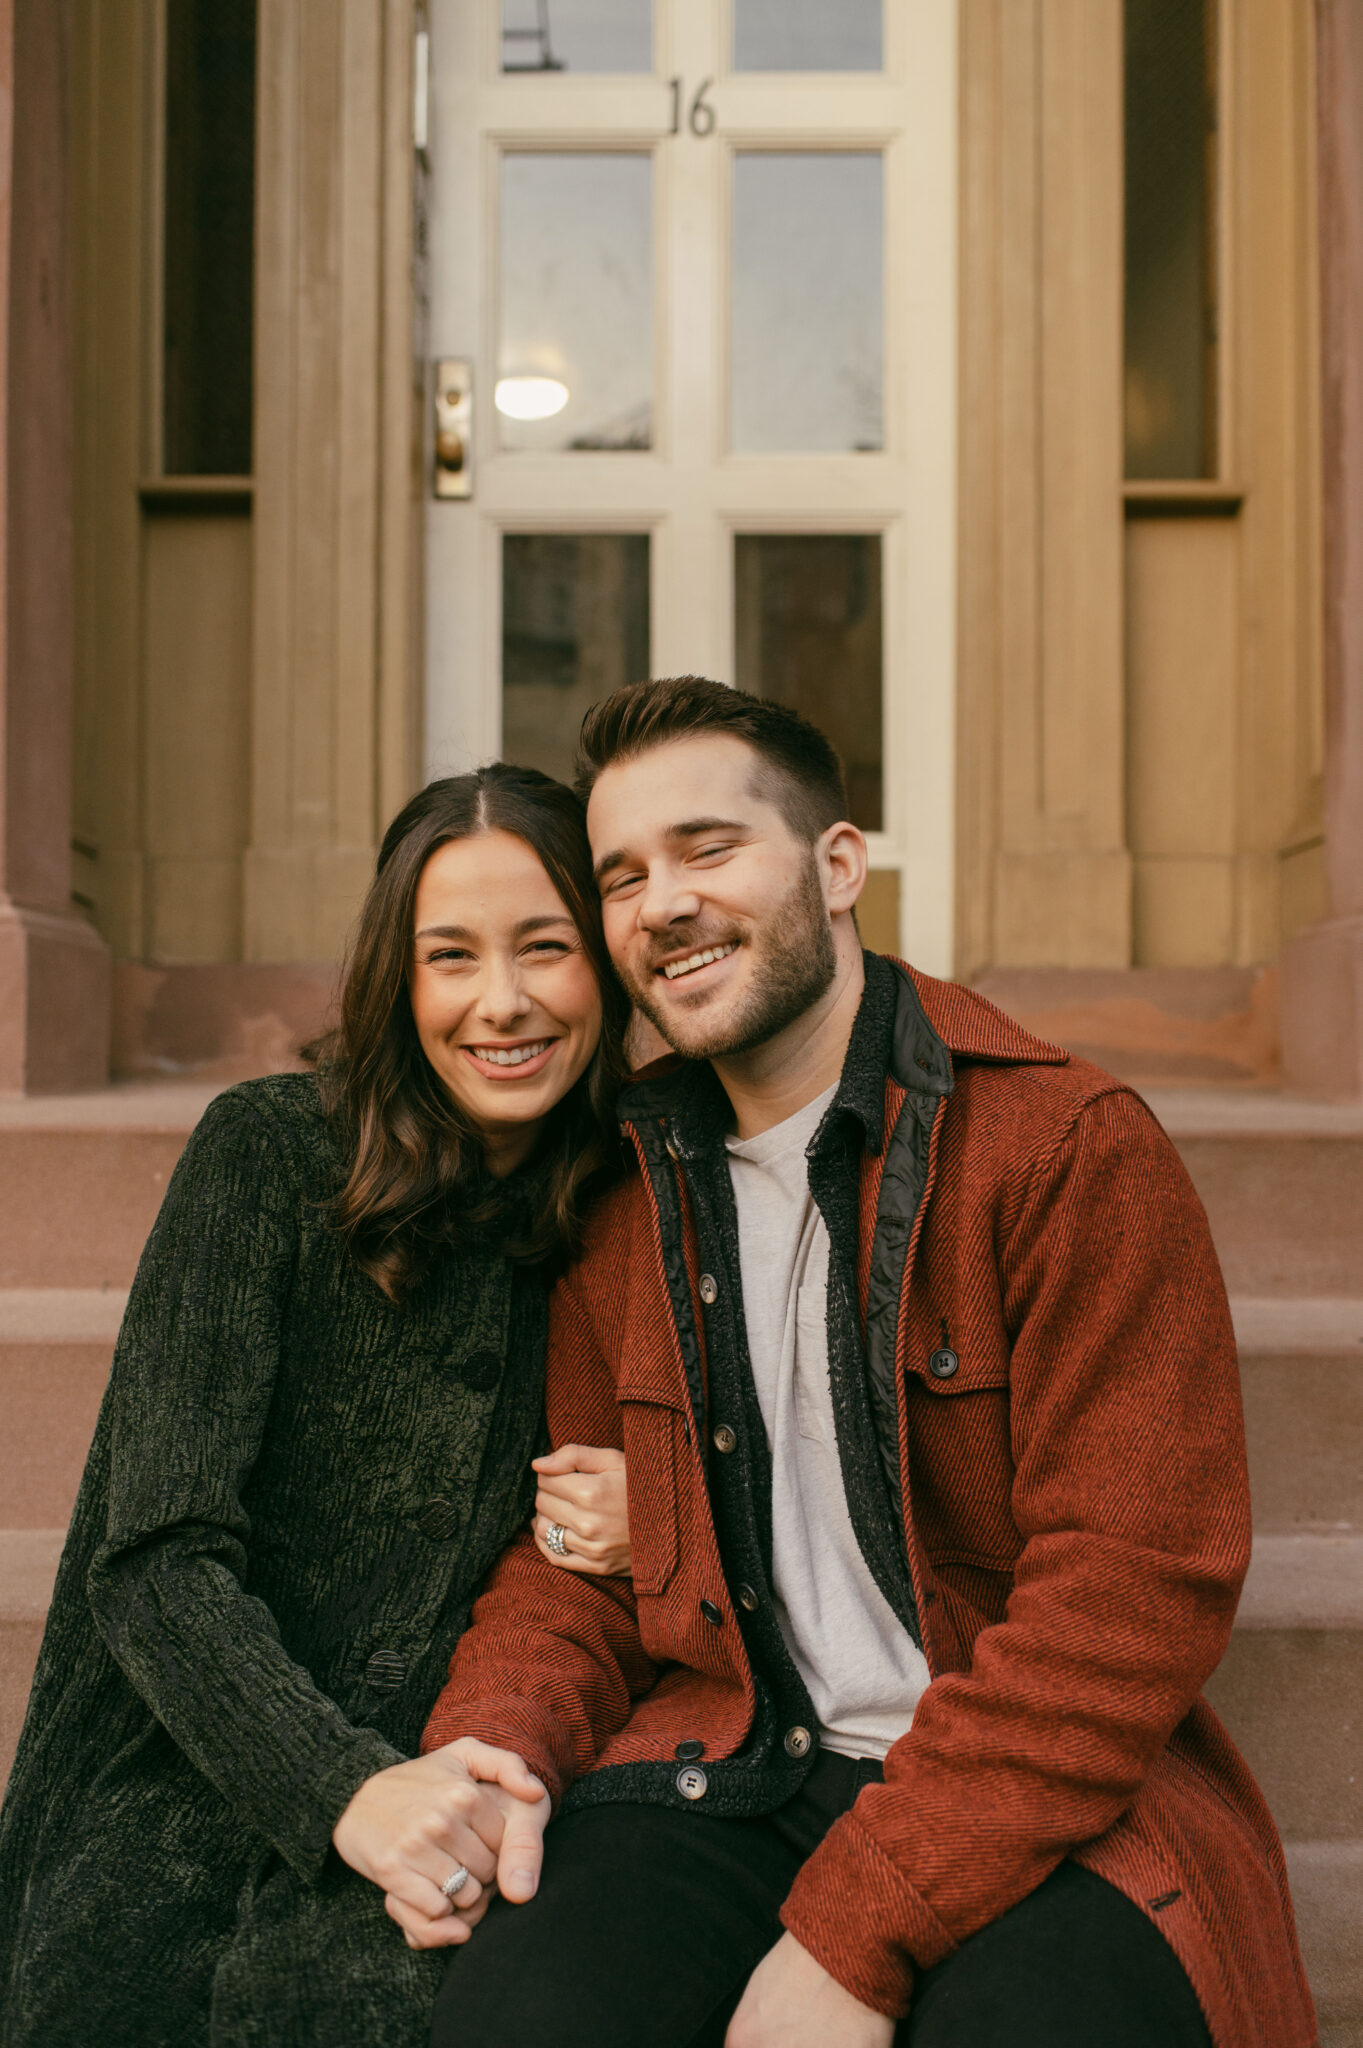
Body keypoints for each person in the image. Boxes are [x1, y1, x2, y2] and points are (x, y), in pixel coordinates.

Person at [397, 679, 1314, 2047]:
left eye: (708, 848)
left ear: (836, 867)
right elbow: (577, 1557)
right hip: (730, 1755)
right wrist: (491, 1749)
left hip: (1027, 1789)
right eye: (623, 876)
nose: (662, 904)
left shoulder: (1064, 1151)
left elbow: (1128, 1598)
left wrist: (849, 1935)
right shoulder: (624, 1179)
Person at [0, 765, 635, 2048]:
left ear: (608, 968)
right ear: (398, 979)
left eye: (545, 947)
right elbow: (153, 1557)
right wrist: (343, 1787)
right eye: (450, 955)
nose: (500, 1000)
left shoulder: (631, 1199)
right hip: (182, 1758)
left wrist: (658, 1502)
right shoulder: (269, 1152)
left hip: (452, 1767)